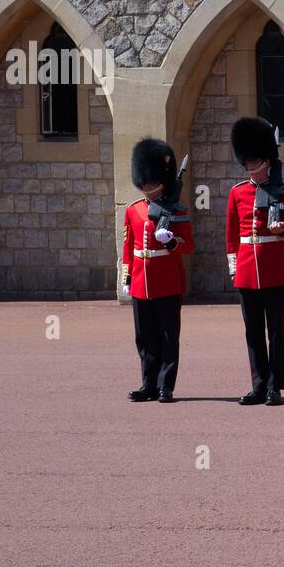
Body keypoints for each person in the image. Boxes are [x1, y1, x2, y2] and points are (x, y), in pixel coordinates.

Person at [226, 116, 284, 406]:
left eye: (254, 161)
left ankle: (274, 386)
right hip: (247, 269)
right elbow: (232, 234)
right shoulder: (237, 193)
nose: (250, 167)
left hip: (274, 269)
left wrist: (282, 229)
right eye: (247, 162)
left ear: (267, 161)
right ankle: (258, 384)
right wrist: (234, 267)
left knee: (277, 332)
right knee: (253, 331)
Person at [122, 138, 194, 403]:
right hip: (141, 282)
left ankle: (166, 386)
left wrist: (172, 241)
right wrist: (127, 277)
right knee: (144, 337)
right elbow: (128, 246)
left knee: (167, 337)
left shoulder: (176, 210)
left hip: (166, 281)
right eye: (145, 182)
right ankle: (148, 384)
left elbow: (188, 247)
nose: (148, 186)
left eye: (152, 182)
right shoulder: (133, 210)